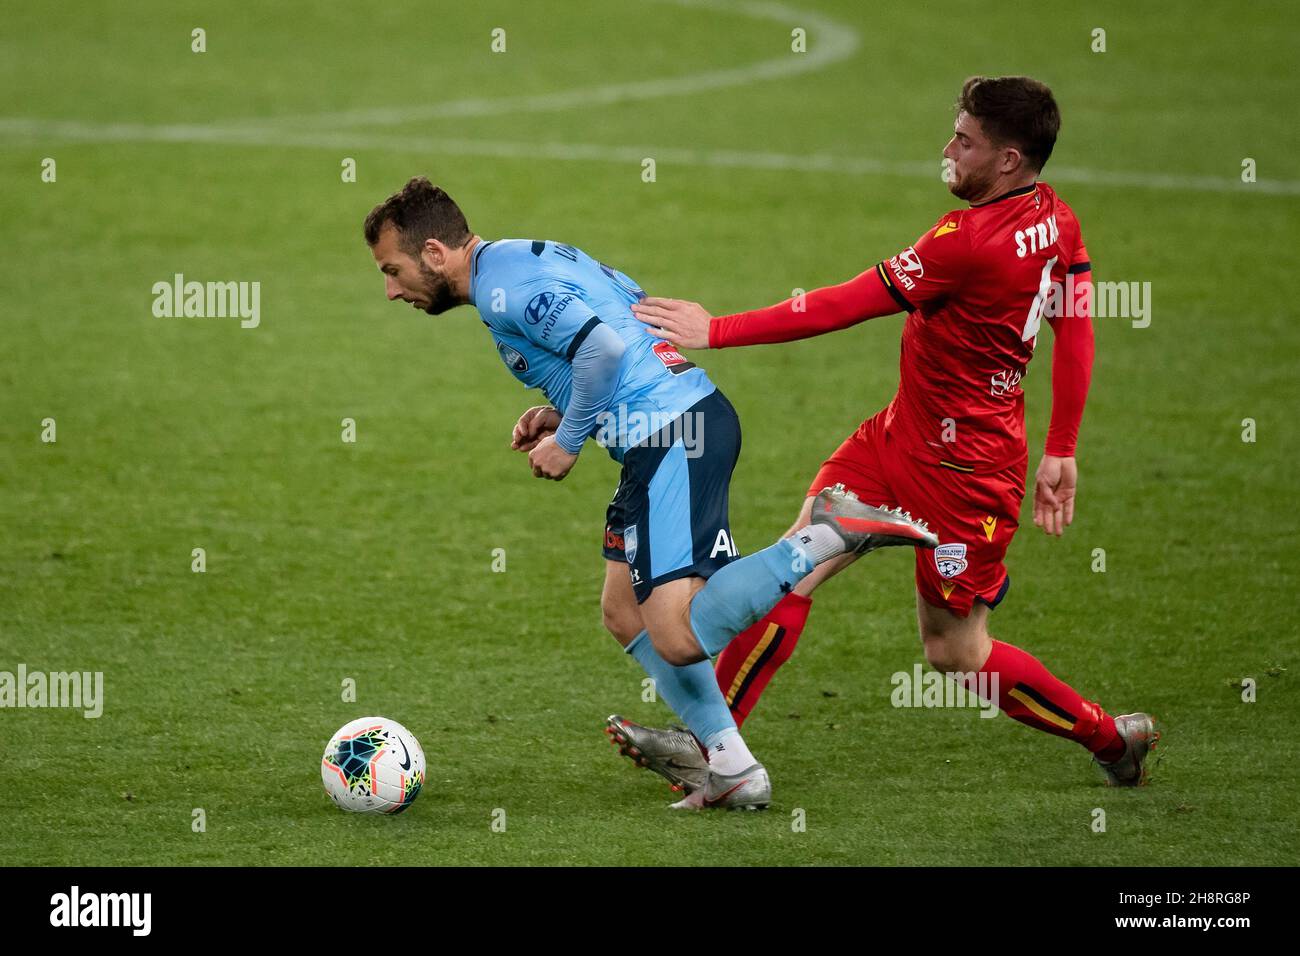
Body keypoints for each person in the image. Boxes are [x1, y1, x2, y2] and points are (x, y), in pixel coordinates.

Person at [624, 76, 1158, 793]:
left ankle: (1107, 737)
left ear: (1006, 160)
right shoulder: (1058, 220)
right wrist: (1062, 446)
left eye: (964, 141)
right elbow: (1078, 325)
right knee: (795, 562)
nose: (948, 150)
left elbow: (846, 304)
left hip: (967, 478)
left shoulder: (964, 242)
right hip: (898, 438)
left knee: (954, 652)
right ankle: (716, 749)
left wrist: (717, 329)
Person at [363, 177, 937, 809]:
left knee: (680, 636)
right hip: (666, 429)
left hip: (676, 435)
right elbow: (623, 322)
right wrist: (563, 412)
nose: (391, 290)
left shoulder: (502, 292)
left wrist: (573, 437)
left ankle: (826, 534)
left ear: (436, 253)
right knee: (624, 612)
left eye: (393, 270)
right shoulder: (526, 257)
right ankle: (732, 768)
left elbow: (605, 348)